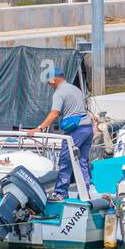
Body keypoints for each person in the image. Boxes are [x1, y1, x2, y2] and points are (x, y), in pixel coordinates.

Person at [30, 67, 93, 201]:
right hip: (88, 127)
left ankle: (60, 193)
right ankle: (85, 192)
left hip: (75, 130)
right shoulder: (76, 89)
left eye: (49, 82)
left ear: (53, 80)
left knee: (65, 160)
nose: (49, 85)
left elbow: (54, 113)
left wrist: (39, 128)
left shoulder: (59, 93)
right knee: (82, 161)